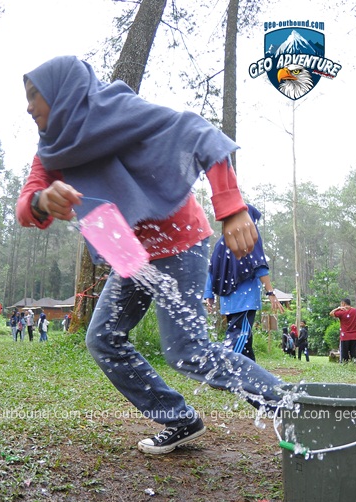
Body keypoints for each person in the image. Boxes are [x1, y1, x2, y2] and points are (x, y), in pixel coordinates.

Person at [16, 55, 285, 454]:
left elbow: (198, 133)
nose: (28, 106)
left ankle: (288, 402)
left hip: (178, 241)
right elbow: (25, 207)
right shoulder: (52, 151)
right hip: (129, 256)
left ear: (64, 94)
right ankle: (177, 418)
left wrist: (232, 208)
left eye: (35, 95)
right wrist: (41, 199)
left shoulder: (120, 113)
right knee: (103, 338)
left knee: (186, 349)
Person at [203, 205, 282, 361]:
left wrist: (208, 294)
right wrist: (271, 293)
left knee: (243, 337)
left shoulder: (221, 242)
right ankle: (224, 369)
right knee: (239, 335)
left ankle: (250, 372)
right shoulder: (249, 238)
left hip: (228, 300)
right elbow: (259, 266)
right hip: (245, 300)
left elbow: (212, 270)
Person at [330, 298, 356, 363]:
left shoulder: (341, 312)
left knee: (344, 355)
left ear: (343, 303)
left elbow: (331, 313)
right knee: (355, 354)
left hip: (344, 337)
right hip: (355, 336)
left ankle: (344, 364)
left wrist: (338, 308)